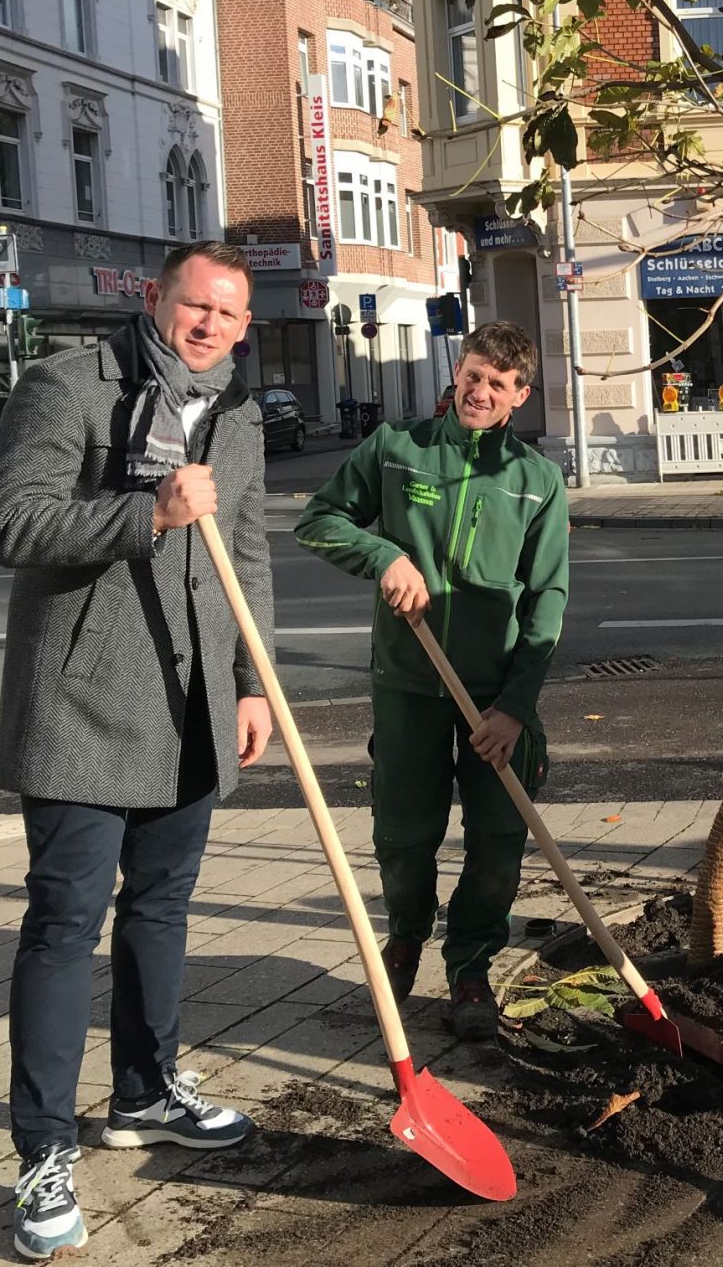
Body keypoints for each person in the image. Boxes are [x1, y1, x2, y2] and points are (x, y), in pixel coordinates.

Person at [0, 242, 275, 1261]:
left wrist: (251, 682)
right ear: (158, 301)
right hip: (82, 706)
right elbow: (13, 524)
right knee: (65, 925)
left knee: (161, 909)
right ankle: (41, 1153)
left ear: (244, 327)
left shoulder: (237, 416)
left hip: (191, 705)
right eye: (195, 306)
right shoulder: (67, 386)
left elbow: (246, 552)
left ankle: (146, 1092)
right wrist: (144, 511)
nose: (208, 327)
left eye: (227, 316)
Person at [296, 320, 568, 1042]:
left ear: (519, 397)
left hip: (495, 698)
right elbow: (318, 522)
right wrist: (381, 554)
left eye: (499, 384)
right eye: (474, 374)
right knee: (405, 834)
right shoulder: (395, 450)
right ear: (459, 372)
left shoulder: (536, 482)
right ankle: (408, 933)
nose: (481, 391)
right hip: (410, 682)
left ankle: (472, 968)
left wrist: (514, 707)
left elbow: (547, 602)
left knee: (496, 840)